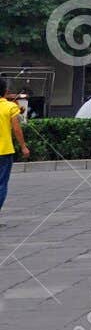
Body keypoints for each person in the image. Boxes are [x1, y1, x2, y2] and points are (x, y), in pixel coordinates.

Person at [0, 76, 30, 224]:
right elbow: (17, 129)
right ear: (5, 91)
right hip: (4, 151)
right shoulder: (10, 107)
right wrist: (23, 146)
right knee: (1, 184)